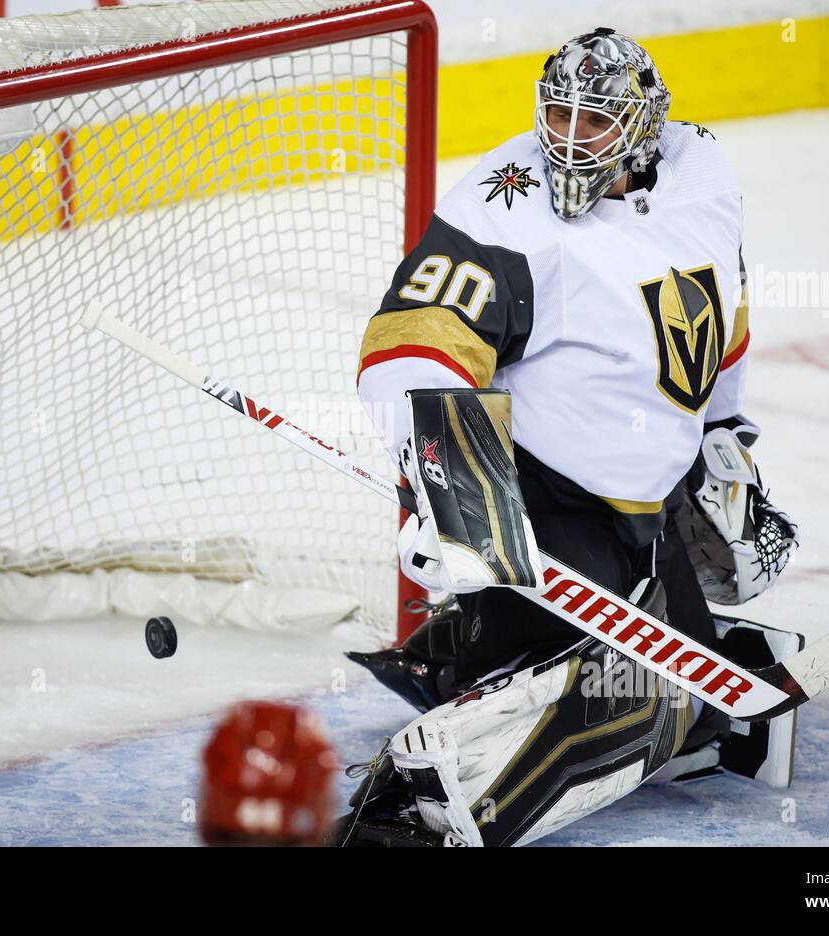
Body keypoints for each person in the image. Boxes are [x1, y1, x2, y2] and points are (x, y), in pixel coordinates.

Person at [340, 27, 799, 847]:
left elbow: (720, 320)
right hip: (544, 510)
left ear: (645, 126)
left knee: (687, 716)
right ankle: (452, 708)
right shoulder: (506, 204)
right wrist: (446, 487)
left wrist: (728, 444)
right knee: (616, 693)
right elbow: (409, 346)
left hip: (652, 505)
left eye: (594, 121)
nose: (568, 138)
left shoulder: (704, 171)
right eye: (557, 113)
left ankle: (465, 649)